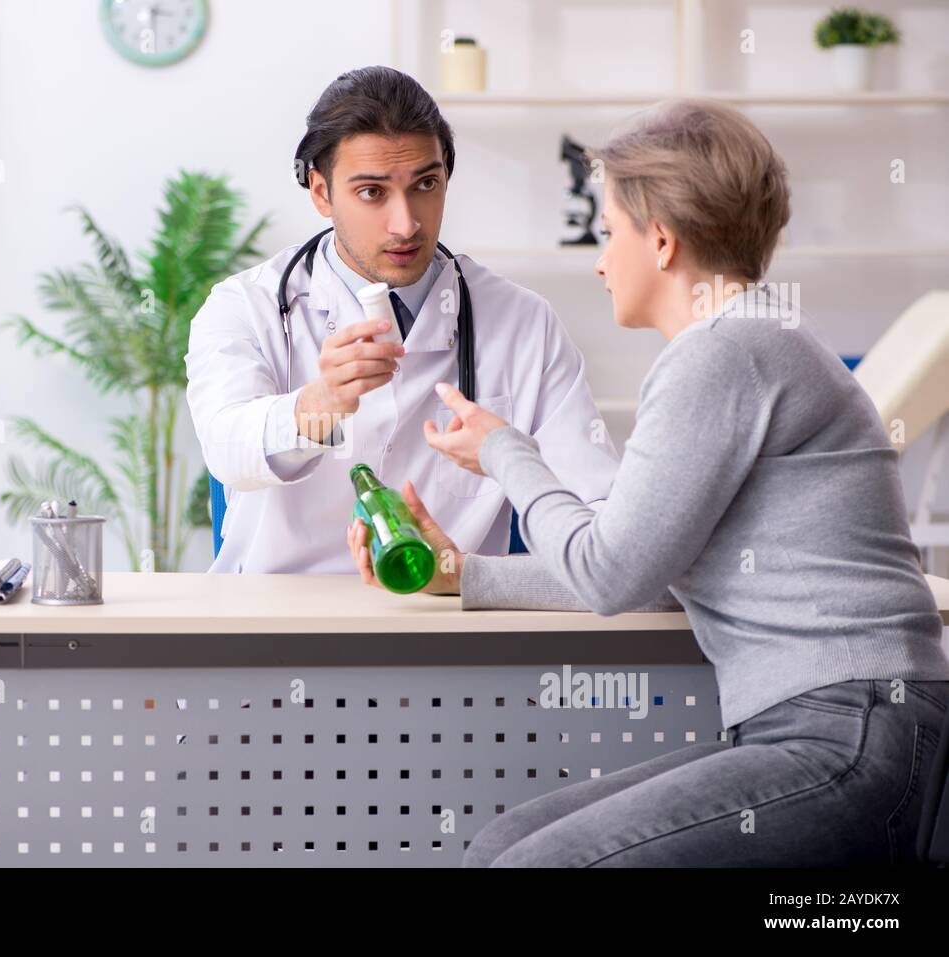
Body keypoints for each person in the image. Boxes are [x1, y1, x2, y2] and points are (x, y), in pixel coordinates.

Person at [350, 97, 949, 866]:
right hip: (828, 728)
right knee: (502, 844)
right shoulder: (752, 343)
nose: (600, 260)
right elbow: (646, 565)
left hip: (848, 732)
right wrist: (465, 574)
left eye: (608, 233)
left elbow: (609, 571)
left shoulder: (725, 351)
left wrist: (506, 451)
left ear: (660, 240)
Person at [185, 66, 619, 573]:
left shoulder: (521, 321)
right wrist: (315, 407)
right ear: (321, 192)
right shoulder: (247, 306)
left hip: (449, 620)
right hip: (283, 622)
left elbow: (596, 505)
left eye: (425, 184)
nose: (406, 223)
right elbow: (227, 450)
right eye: (372, 192)